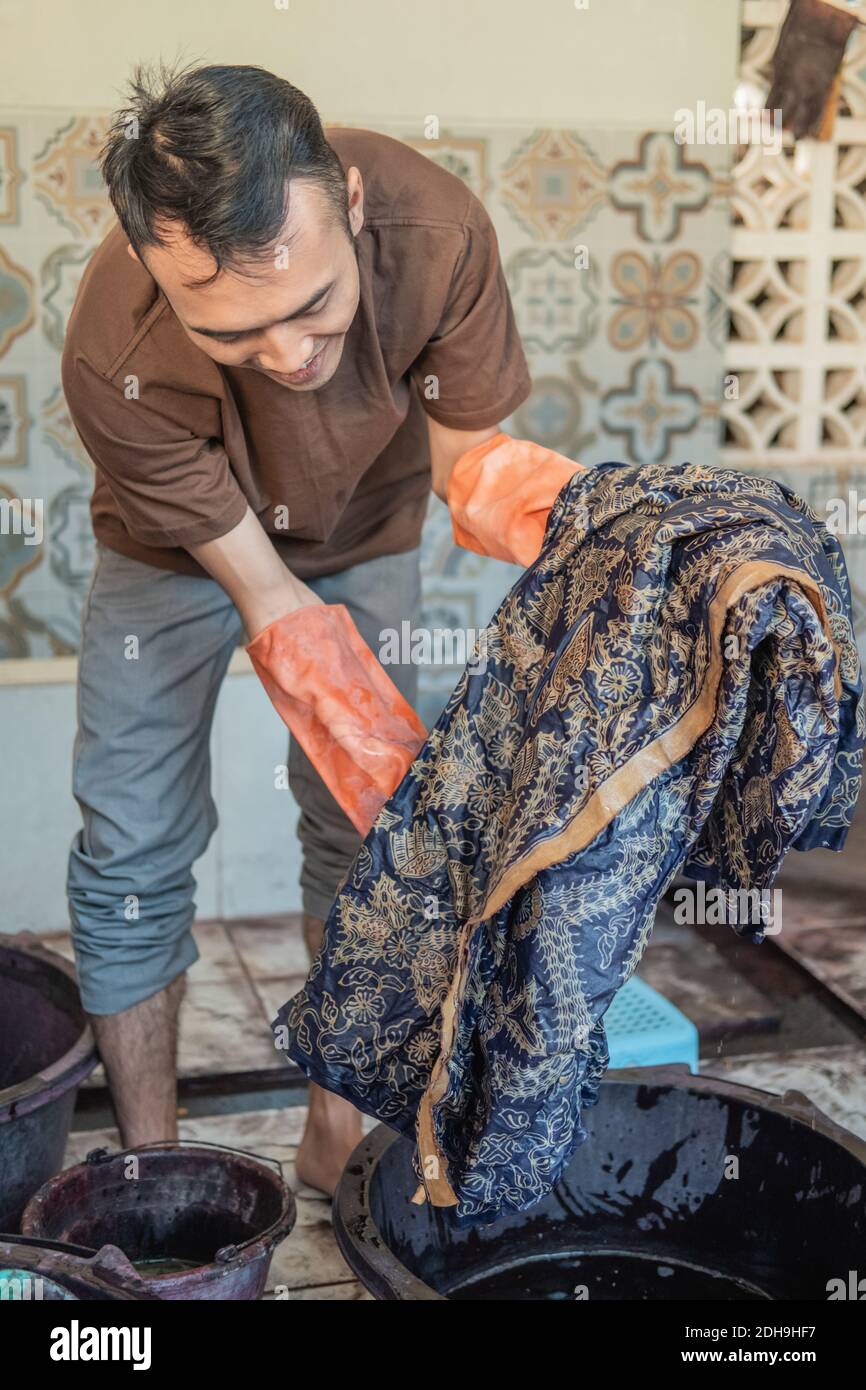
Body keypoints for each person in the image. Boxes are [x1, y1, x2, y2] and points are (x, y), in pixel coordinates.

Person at [62, 61, 578, 1195]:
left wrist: (588, 526)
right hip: (177, 550)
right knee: (129, 843)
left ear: (346, 202)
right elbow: (266, 593)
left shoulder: (436, 231)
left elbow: (469, 468)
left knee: (365, 828)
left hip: (366, 530)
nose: (291, 356)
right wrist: (293, 628)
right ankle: (147, 1159)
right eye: (234, 333)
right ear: (157, 274)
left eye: (311, 305)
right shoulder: (111, 344)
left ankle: (335, 1125)